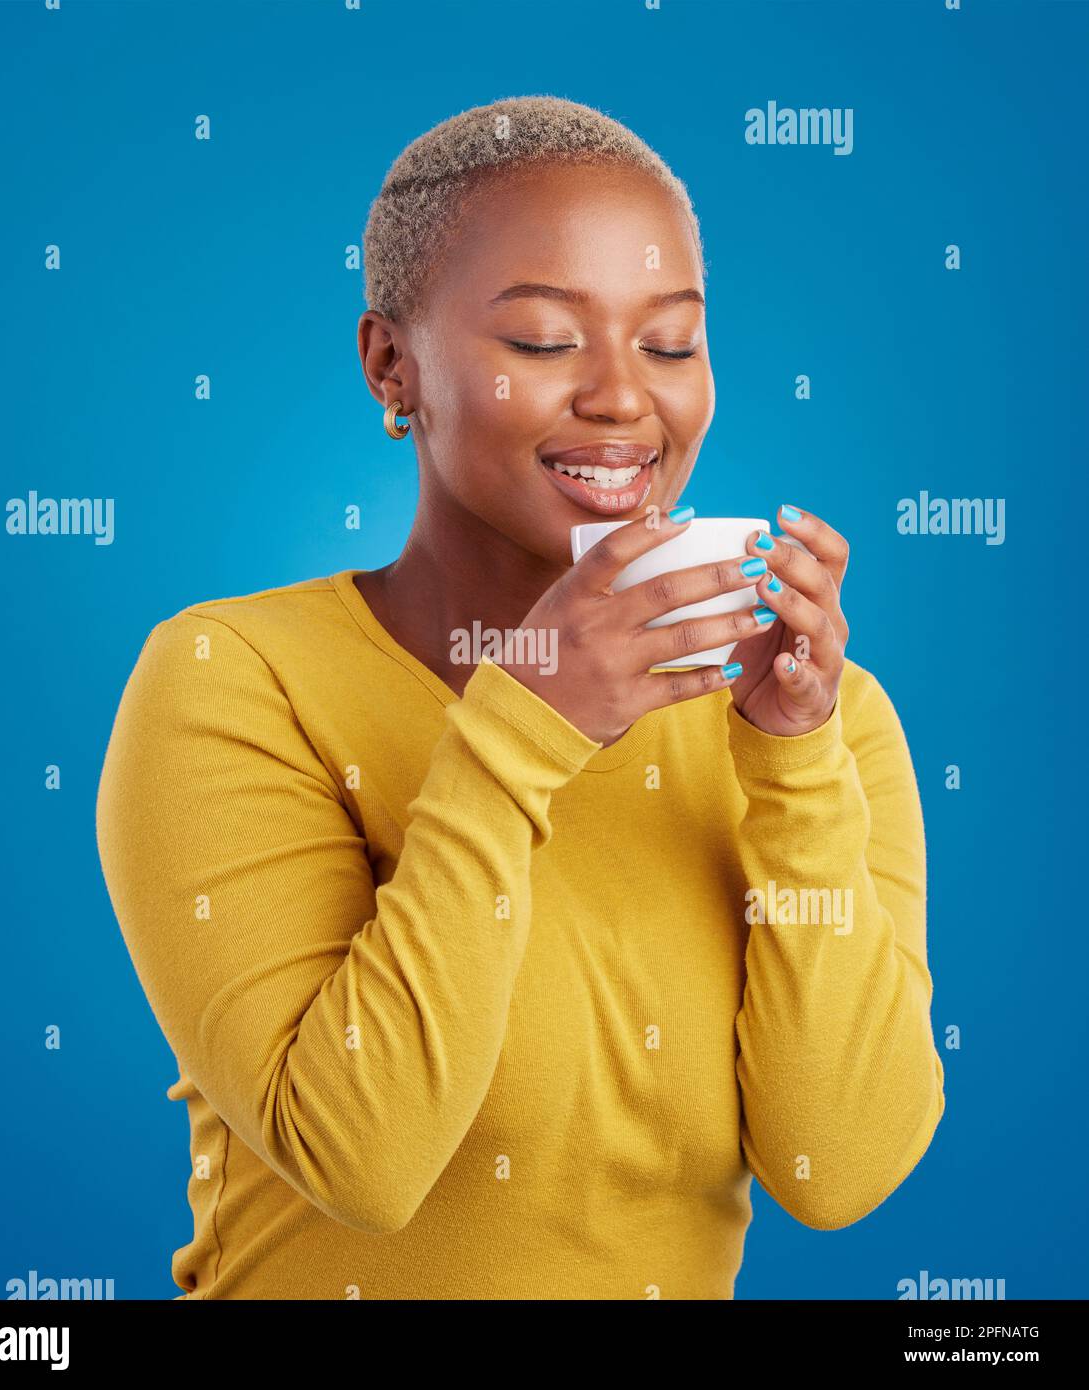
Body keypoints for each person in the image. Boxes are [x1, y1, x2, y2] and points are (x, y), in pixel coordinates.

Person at [95, 95, 945, 1300]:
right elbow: (360, 1158)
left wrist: (795, 766)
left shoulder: (820, 722)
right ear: (393, 364)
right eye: (545, 343)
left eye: (669, 343)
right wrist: (525, 723)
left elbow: (837, 1169)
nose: (620, 400)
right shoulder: (235, 681)